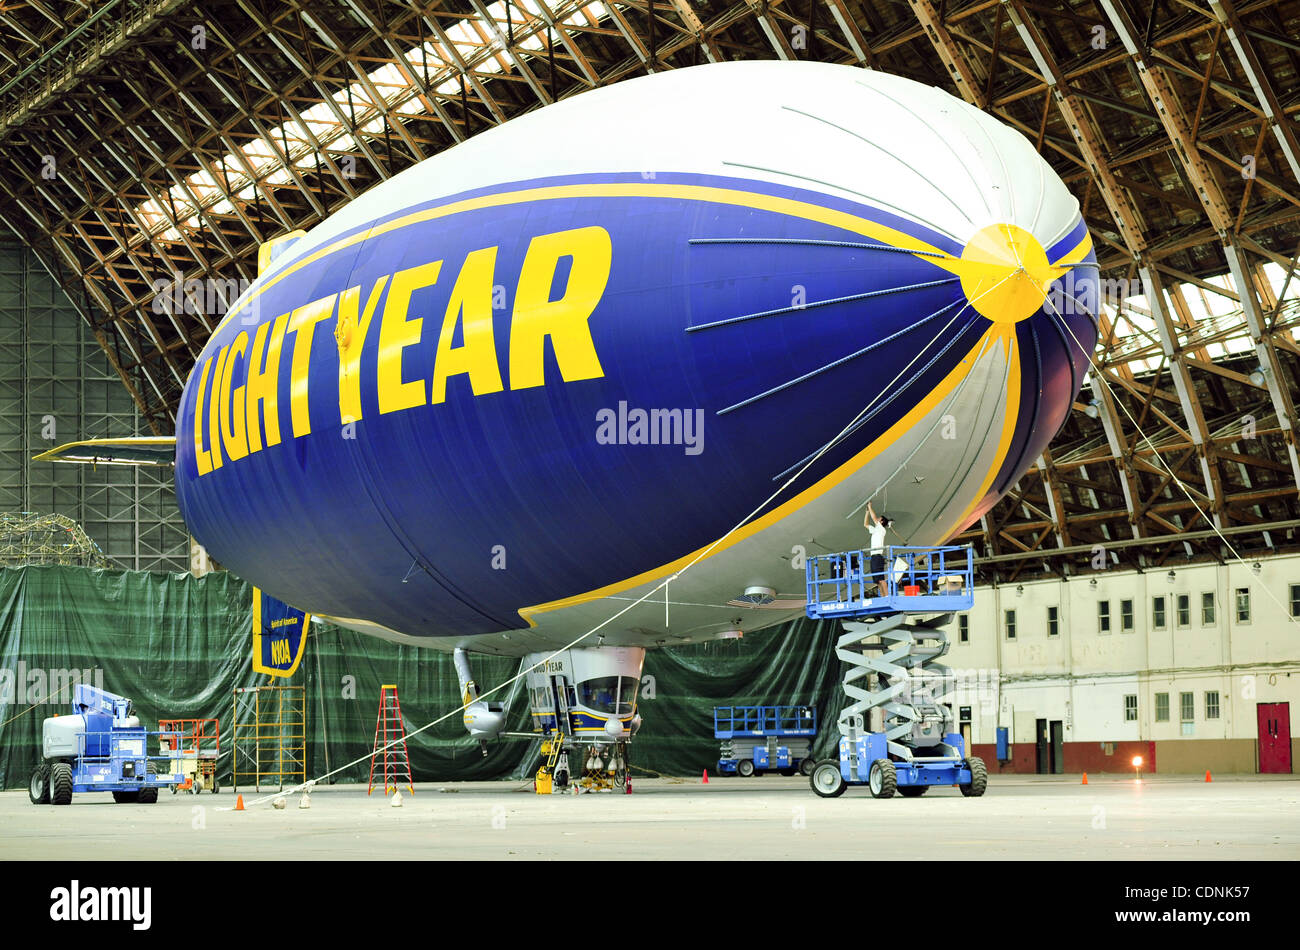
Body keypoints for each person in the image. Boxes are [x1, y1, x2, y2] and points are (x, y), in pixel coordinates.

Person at [864, 502, 893, 594]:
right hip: (874, 556)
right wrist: (867, 512)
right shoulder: (876, 530)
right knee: (877, 581)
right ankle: (883, 597)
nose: (877, 519)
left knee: (881, 579)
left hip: (877, 556)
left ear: (881, 522)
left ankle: (887, 596)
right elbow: (865, 524)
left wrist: (870, 506)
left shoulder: (881, 529)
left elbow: (874, 518)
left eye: (879, 519)